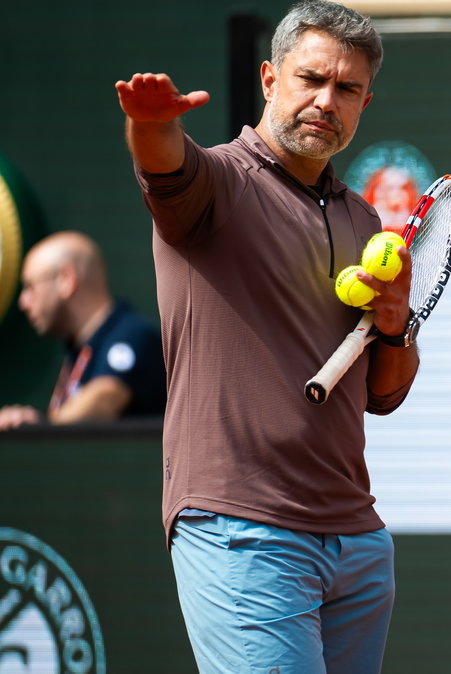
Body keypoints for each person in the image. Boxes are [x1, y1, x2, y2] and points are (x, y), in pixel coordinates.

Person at [114, 1, 417, 671]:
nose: (324, 100)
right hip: (241, 528)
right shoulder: (218, 182)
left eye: (345, 88)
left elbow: (384, 395)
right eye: (310, 78)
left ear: (366, 101)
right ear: (270, 79)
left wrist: (396, 329)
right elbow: (166, 162)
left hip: (356, 543)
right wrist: (149, 124)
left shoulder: (366, 222)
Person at [0, 231, 166, 431]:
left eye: (30, 286)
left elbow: (106, 396)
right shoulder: (76, 350)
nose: (23, 303)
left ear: (66, 280)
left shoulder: (133, 336)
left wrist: (41, 429)